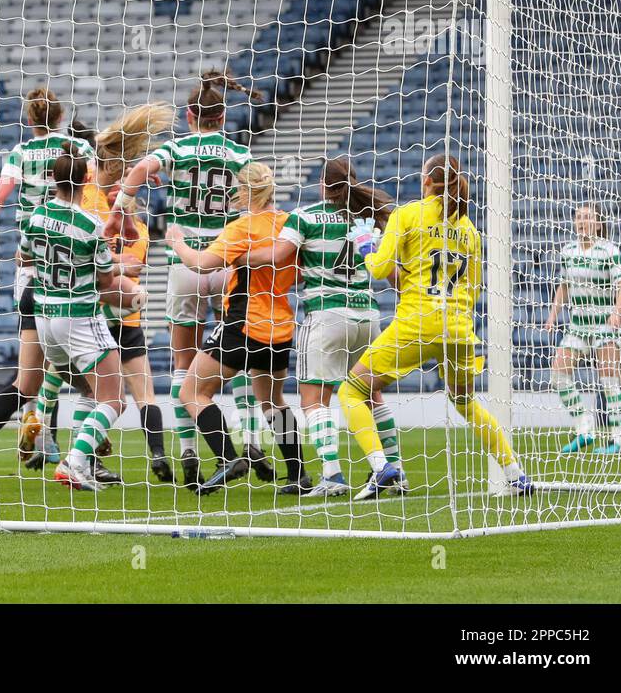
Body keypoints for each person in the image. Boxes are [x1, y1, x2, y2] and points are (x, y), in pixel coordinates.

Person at [104, 71, 267, 487]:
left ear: (190, 115)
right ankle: (252, 440)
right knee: (240, 357)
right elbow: (263, 195)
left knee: (182, 360)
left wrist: (121, 207)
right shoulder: (239, 155)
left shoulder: (177, 148)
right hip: (227, 261)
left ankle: (190, 452)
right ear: (224, 115)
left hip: (184, 263)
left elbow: (140, 168)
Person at [341, 153, 533, 500]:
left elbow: (380, 268)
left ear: (426, 180)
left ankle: (382, 466)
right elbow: (473, 291)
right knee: (466, 402)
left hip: (416, 323)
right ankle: (515, 473)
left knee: (351, 391)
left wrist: (367, 248)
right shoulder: (469, 230)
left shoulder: (408, 213)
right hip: (458, 329)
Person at [240, 158, 394, 497]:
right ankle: (391, 467)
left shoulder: (305, 216)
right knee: (370, 394)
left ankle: (330, 475)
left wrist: (239, 256)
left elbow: (279, 256)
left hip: (314, 317)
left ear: (322, 185)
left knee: (310, 400)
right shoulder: (367, 218)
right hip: (366, 315)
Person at [0, 87, 94, 486]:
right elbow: (97, 189)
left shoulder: (20, 154)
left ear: (29, 119)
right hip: (73, 262)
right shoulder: (76, 148)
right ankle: (83, 454)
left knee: (28, 382)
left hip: (32, 268)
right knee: (104, 382)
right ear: (60, 116)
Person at [166, 161, 309, 495]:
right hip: (280, 327)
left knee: (192, 392)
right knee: (273, 402)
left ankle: (229, 458)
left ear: (246, 191)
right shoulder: (290, 225)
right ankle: (298, 475)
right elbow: (300, 272)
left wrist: (177, 242)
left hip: (244, 323)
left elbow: (200, 265)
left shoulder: (243, 228)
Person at [19, 153, 138, 492]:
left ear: (52, 180)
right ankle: (74, 461)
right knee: (115, 400)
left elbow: (25, 257)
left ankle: (76, 457)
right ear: (86, 180)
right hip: (80, 318)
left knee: (88, 389)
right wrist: (123, 268)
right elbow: (104, 282)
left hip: (44, 319)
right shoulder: (89, 225)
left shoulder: (35, 216)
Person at [545, 203, 621, 455]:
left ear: (598, 223)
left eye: (588, 217)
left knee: (609, 382)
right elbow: (564, 286)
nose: (582, 221)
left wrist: (617, 311)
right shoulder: (568, 251)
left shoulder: (609, 250)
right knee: (558, 375)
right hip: (578, 327)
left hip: (604, 324)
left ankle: (616, 441)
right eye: (578, 217)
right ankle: (585, 429)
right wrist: (552, 315)